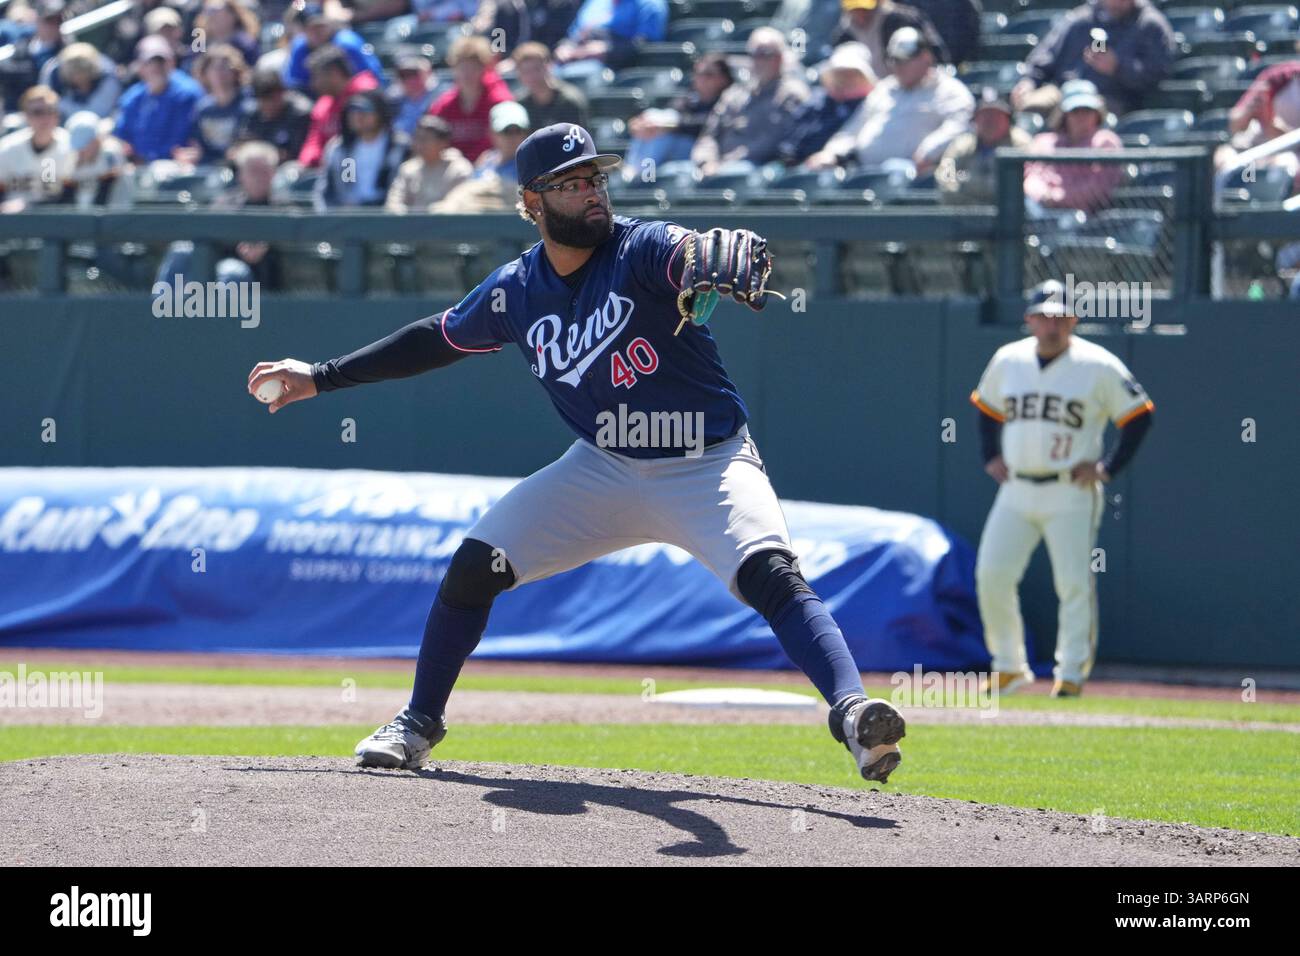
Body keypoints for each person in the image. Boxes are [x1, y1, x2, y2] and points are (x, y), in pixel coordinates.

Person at [246, 122, 909, 782]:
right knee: (476, 567)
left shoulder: (641, 248)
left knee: (773, 574)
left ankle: (853, 714)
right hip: (604, 466)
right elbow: (434, 339)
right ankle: (418, 721)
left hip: (707, 462)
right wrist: (322, 375)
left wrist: (707, 256)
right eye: (570, 183)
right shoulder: (514, 291)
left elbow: (686, 252)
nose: (592, 192)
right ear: (531, 202)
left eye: (595, 177)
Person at [970, 280, 1154, 698]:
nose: (1052, 325)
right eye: (1044, 316)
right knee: (991, 575)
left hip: (1070, 488)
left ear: (1074, 321)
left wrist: (1107, 467)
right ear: (1029, 319)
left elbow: (1139, 415)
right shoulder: (1009, 359)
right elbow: (985, 407)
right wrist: (990, 456)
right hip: (1016, 487)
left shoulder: (1098, 365)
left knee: (1072, 582)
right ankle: (1008, 666)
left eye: (1061, 317)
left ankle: (1070, 672)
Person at [805, 27, 972, 177]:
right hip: (865, 174)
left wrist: (929, 151)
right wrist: (832, 153)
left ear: (926, 58)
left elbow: (961, 124)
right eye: (894, 60)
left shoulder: (949, 90)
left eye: (905, 59)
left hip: (915, 176)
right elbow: (854, 128)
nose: (898, 66)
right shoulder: (884, 89)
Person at [1013, 0, 1176, 119]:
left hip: (1110, 98)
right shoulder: (1081, 19)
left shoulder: (1150, 24)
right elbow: (1046, 54)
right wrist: (1029, 81)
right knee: (1028, 106)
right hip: (1064, 91)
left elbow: (1158, 72)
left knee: (1083, 117)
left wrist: (1118, 68)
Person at [690, 27, 810, 178]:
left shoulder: (792, 94)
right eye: (753, 54)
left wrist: (729, 162)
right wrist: (706, 162)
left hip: (760, 169)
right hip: (719, 167)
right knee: (675, 173)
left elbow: (782, 142)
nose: (757, 60)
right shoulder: (734, 94)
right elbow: (709, 135)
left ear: (779, 58)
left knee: (736, 171)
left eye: (764, 54)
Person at [1023, 79, 1124, 214]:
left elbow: (1098, 188)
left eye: (1087, 110)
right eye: (1075, 111)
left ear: (1097, 113)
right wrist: (1043, 196)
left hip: (1091, 220)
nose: (1082, 116)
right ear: (1064, 115)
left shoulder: (1106, 142)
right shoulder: (1043, 142)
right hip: (1042, 212)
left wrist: (1057, 198)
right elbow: (1031, 178)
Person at [779, 42, 875, 167]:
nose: (844, 78)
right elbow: (795, 135)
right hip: (800, 164)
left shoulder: (869, 103)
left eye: (850, 73)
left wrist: (832, 155)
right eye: (839, 73)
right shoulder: (819, 100)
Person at [112, 35, 205, 163]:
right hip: (139, 167)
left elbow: (182, 138)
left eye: (161, 62)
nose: (156, 67)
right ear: (140, 67)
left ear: (172, 62)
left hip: (177, 165)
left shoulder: (188, 93)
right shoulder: (132, 98)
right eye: (150, 62)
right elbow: (121, 135)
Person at [314, 89, 410, 209]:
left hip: (386, 216)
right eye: (352, 111)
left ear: (380, 113)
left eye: (364, 110)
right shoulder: (342, 148)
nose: (357, 116)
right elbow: (332, 190)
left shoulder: (398, 146)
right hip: (347, 218)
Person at [426, 35, 515, 164]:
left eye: (473, 67)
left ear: (484, 69)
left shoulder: (499, 101)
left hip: (491, 167)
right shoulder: (444, 104)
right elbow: (433, 139)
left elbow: (508, 142)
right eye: (462, 67)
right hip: (453, 168)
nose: (467, 74)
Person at [937, 87, 1032, 206]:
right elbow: (945, 175)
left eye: (996, 115)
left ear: (1008, 119)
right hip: (966, 213)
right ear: (975, 119)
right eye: (984, 114)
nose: (990, 120)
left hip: (1009, 214)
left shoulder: (1022, 144)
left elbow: (1031, 180)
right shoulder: (962, 144)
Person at [429, 100, 529, 212]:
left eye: (518, 131)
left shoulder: (530, 165)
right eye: (507, 131)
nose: (513, 137)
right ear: (492, 133)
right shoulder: (487, 159)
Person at [297, 44, 380, 168]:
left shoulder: (365, 93)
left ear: (334, 74)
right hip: (332, 169)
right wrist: (309, 162)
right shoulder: (323, 105)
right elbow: (314, 142)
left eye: (316, 77)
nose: (313, 84)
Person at [0, 85, 75, 213]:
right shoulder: (7, 148)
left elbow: (70, 196)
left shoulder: (70, 146)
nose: (45, 118)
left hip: (56, 220)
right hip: (12, 222)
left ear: (57, 115)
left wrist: (29, 206)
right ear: (26, 116)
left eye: (50, 110)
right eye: (38, 112)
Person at [282, 3, 387, 92]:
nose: (318, 32)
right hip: (322, 101)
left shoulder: (347, 43)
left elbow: (371, 81)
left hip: (355, 98)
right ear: (304, 31)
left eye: (321, 26)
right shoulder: (300, 47)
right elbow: (294, 85)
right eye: (312, 28)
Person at [830, 0, 947, 76]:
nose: (860, 15)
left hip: (911, 88)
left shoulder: (903, 20)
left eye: (865, 9)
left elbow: (936, 53)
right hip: (869, 97)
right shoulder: (843, 36)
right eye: (855, 10)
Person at [385, 114, 474, 212]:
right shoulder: (408, 169)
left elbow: (460, 203)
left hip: (446, 225)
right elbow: (394, 202)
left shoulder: (459, 170)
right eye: (416, 138)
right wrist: (403, 213)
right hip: (411, 225)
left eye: (424, 139)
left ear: (442, 143)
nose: (418, 144)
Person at [554, 0, 667, 76]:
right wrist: (565, 47)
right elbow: (574, 34)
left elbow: (647, 46)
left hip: (615, 68)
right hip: (573, 59)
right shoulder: (595, 2)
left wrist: (606, 50)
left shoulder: (650, 4)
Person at [183, 44, 252, 166]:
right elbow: (198, 145)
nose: (219, 74)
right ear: (205, 74)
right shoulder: (203, 109)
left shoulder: (248, 107)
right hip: (208, 167)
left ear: (235, 72)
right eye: (214, 69)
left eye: (225, 68)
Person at [238, 68, 313, 163]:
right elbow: (242, 144)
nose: (269, 105)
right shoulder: (253, 114)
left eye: (272, 99)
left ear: (282, 93)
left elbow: (296, 154)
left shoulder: (300, 113)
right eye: (263, 100)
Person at [513, 42, 590, 132]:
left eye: (536, 69)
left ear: (548, 67)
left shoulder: (569, 100)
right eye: (526, 71)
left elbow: (579, 138)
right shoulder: (520, 103)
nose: (532, 76)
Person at [45, 42, 123, 119]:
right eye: (73, 72)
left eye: (82, 71)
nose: (78, 77)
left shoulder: (109, 81)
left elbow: (99, 111)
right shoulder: (54, 79)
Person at [193, 0, 263, 70]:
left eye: (216, 11)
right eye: (209, 11)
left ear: (233, 15)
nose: (211, 16)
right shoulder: (201, 43)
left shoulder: (245, 44)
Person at [388, 53, 439, 137]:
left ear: (427, 73)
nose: (410, 79)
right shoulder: (392, 101)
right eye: (403, 75)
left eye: (414, 74)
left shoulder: (438, 99)